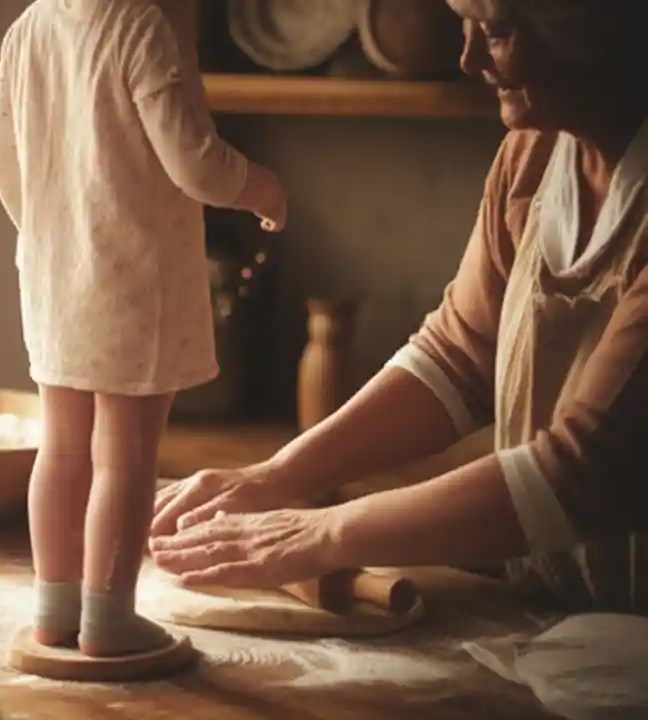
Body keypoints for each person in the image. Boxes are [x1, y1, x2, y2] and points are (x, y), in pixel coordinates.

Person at [150, 0, 648, 614]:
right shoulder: (534, 155)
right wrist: (275, 478)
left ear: (595, 25)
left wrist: (323, 532)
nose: (466, 60)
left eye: (495, 32)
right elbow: (459, 357)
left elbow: (583, 470)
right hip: (559, 611)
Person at [0, 0, 287, 656]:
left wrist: (48, 230)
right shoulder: (139, 26)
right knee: (125, 457)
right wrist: (259, 187)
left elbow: (0, 156)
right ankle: (108, 618)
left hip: (53, 275)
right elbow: (194, 161)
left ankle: (55, 610)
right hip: (131, 281)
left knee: (62, 450)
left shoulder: (27, 30)